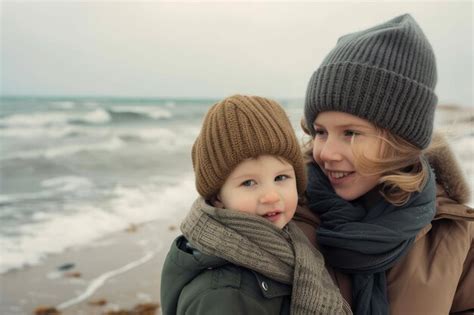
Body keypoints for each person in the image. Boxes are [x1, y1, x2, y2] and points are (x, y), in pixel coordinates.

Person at [294, 14, 474, 315]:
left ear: (400, 141)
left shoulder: (454, 232)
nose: (326, 153)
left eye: (351, 133)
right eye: (320, 132)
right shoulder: (286, 215)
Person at [160, 95, 351, 315]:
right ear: (218, 198)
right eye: (248, 182)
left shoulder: (289, 246)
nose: (270, 196)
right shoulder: (224, 294)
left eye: (281, 178)